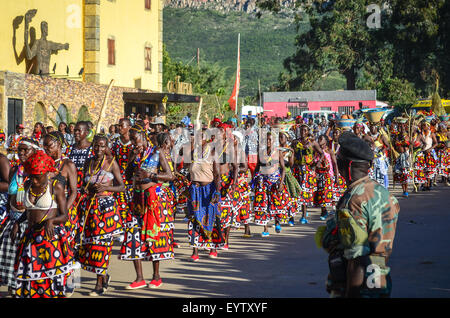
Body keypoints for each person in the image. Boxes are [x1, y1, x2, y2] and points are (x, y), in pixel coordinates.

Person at [316, 131, 400, 298]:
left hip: (358, 284)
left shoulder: (354, 200)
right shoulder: (384, 194)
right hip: (379, 277)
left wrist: (351, 294)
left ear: (346, 166)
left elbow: (357, 257)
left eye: (338, 162)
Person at [11, 150, 73, 298]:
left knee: (49, 281)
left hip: (49, 239)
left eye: (37, 176)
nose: (35, 180)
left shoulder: (55, 187)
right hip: (30, 237)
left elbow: (64, 216)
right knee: (29, 280)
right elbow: (29, 212)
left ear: (46, 173)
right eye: (31, 176)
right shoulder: (27, 186)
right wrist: (18, 223)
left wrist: (51, 220)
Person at [120, 123, 174, 289]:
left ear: (143, 135)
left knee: (153, 236)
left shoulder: (157, 152)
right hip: (136, 198)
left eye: (135, 139)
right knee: (133, 235)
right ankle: (139, 278)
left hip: (152, 199)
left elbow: (170, 176)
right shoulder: (134, 153)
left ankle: (156, 276)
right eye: (132, 140)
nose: (134, 143)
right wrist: (131, 159)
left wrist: (150, 175)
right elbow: (127, 176)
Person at [77, 135, 125, 296]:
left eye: (102, 146)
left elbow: (122, 187)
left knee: (101, 246)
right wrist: (88, 188)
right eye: (96, 146)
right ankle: (103, 276)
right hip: (89, 208)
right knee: (89, 245)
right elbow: (84, 184)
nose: (98, 149)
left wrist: (106, 187)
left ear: (107, 147)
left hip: (106, 211)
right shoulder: (88, 162)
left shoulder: (112, 164)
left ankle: (99, 284)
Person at [0, 137, 40, 296]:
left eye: (26, 150)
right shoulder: (16, 170)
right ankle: (13, 287)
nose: (22, 153)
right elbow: (11, 194)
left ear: (35, 152)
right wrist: (11, 217)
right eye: (20, 149)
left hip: (30, 220)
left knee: (26, 256)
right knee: (10, 253)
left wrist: (20, 221)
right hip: (14, 217)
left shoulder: (38, 173)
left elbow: (38, 200)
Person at [187, 129, 224, 261]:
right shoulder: (193, 153)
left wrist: (217, 192)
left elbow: (217, 174)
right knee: (193, 219)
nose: (196, 139)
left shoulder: (213, 152)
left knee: (211, 219)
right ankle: (195, 250)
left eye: (200, 137)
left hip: (208, 190)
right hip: (194, 190)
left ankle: (213, 248)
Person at [253, 131, 289, 236]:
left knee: (275, 202)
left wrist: (281, 183)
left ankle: (277, 222)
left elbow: (283, 169)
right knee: (263, 204)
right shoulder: (261, 152)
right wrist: (254, 180)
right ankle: (265, 228)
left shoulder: (277, 152)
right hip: (263, 181)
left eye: (270, 139)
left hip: (275, 181)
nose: (268, 141)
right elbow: (257, 166)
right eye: (266, 140)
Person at [292, 124, 323, 224]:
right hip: (297, 169)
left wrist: (317, 163)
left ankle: (304, 215)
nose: (302, 132)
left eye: (305, 130)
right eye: (301, 130)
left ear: (308, 131)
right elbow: (290, 153)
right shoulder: (295, 142)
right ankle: (294, 214)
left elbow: (321, 153)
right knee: (297, 191)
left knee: (304, 192)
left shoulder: (312, 143)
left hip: (308, 170)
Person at [314, 135, 338, 221]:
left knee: (328, 193)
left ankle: (333, 209)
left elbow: (334, 163)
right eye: (319, 139)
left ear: (326, 141)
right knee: (320, 193)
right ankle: (323, 211)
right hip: (319, 174)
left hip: (329, 174)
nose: (319, 140)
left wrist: (337, 175)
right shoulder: (316, 151)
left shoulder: (329, 151)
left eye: (321, 139)